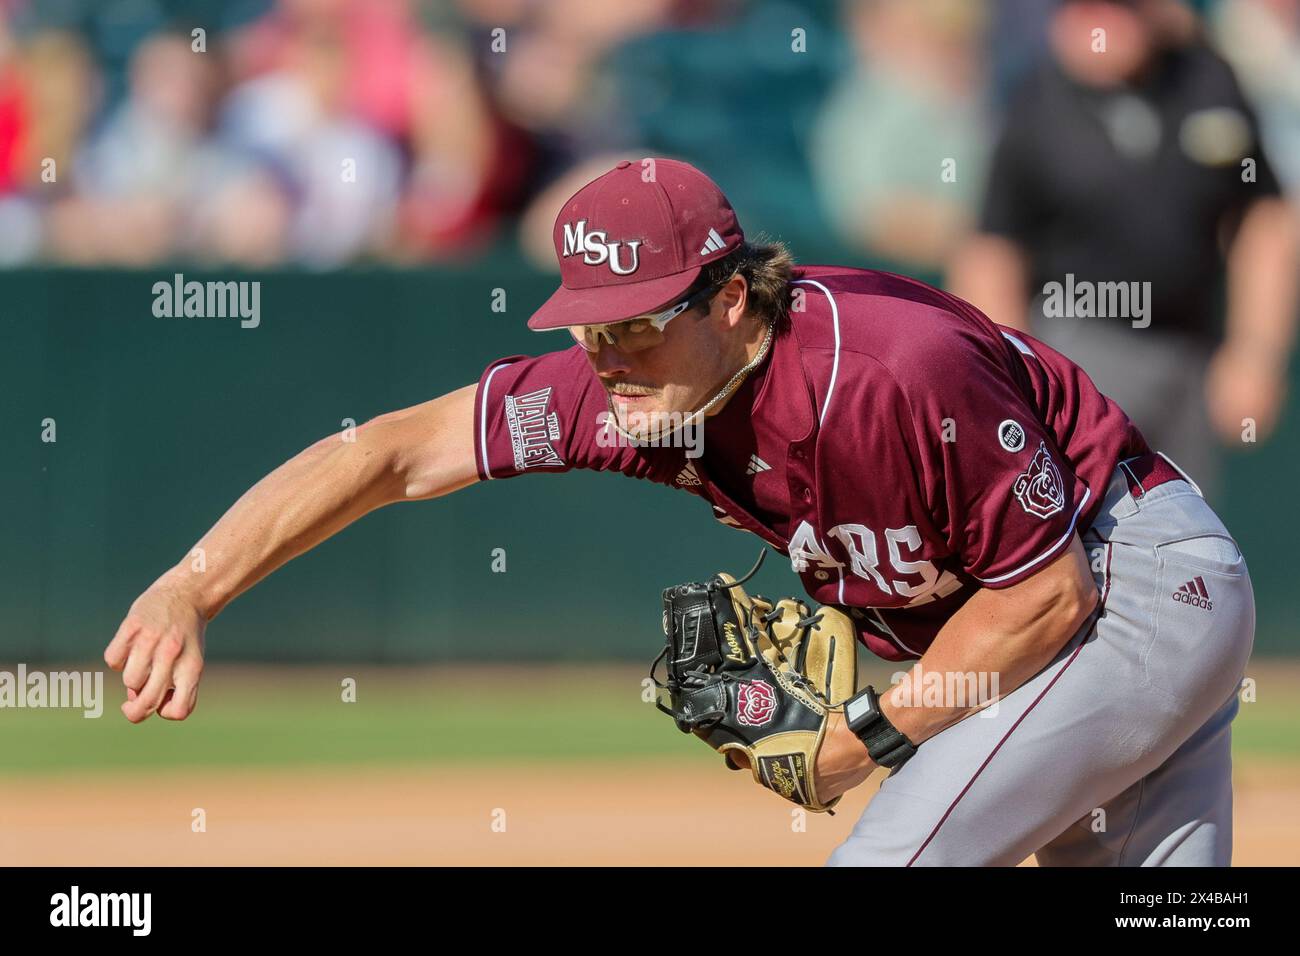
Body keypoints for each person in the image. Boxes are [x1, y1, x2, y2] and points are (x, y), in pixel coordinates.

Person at [105, 158, 1254, 866]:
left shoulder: (892, 368)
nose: (606, 354)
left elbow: (1046, 592)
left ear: (732, 296)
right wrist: (192, 580)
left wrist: (863, 736)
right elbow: (392, 453)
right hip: (1067, 620)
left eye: (638, 322)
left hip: (1129, 583)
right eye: (590, 326)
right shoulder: (627, 390)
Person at [950, 0, 1299, 502]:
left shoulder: (1206, 82)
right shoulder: (1036, 101)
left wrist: (1256, 353)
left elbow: (1263, 221)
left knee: (1186, 527)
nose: (1101, 27)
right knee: (1090, 520)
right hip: (1078, 352)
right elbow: (991, 251)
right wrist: (1010, 387)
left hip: (1189, 353)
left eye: (1121, 11)